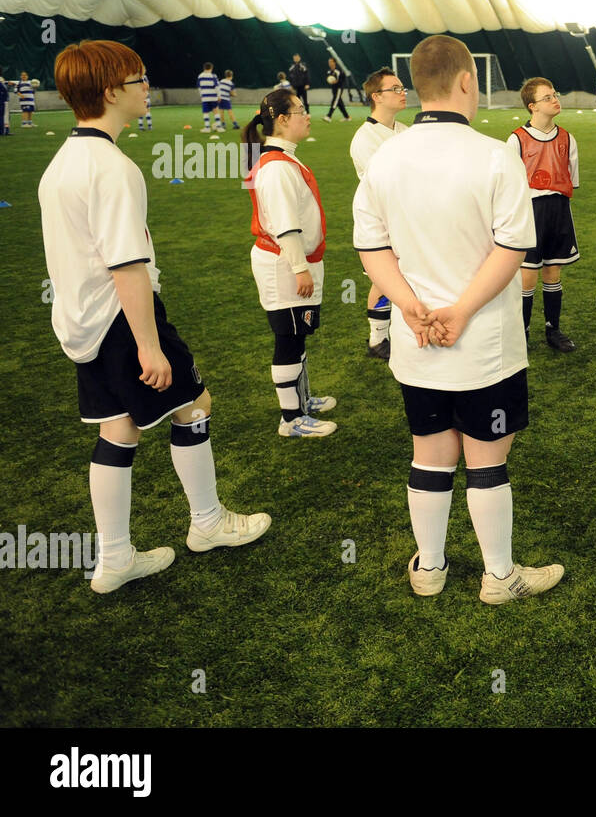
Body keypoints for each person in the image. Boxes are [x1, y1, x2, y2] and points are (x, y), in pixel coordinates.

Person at [38, 39, 270, 594]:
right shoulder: (112, 168)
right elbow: (127, 266)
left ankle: (115, 557)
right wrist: (149, 343)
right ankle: (208, 522)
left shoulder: (62, 162)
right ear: (111, 90)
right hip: (120, 317)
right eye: (139, 79)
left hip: (81, 320)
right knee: (194, 405)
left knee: (118, 428)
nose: (148, 87)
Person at [353, 34, 564, 604]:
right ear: (467, 81)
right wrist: (462, 310)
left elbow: (372, 250)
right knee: (487, 458)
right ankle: (499, 577)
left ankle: (431, 568)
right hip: (482, 345)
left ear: (418, 85)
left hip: (416, 342)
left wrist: (410, 307)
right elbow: (512, 247)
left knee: (429, 453)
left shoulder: (385, 156)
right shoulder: (496, 154)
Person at [241, 88, 337, 438]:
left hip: (288, 260)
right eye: (300, 110)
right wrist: (300, 268)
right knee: (288, 339)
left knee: (296, 335)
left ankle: (302, 400)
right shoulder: (277, 166)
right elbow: (285, 225)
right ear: (282, 120)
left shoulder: (281, 158)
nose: (307, 115)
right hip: (283, 264)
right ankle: (291, 419)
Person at [508, 76, 581, 352]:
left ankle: (553, 329)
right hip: (530, 212)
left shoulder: (567, 138)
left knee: (553, 272)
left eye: (554, 94)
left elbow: (571, 180)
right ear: (532, 106)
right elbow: (509, 185)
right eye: (547, 97)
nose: (554, 99)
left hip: (559, 211)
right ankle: (521, 331)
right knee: (528, 276)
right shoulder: (516, 139)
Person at [349, 66, 409, 361]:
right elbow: (385, 183)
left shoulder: (405, 130)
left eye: (402, 87)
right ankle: (376, 340)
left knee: (404, 276)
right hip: (381, 221)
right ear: (377, 96)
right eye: (395, 89)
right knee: (383, 280)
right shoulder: (365, 138)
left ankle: (394, 333)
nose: (403, 92)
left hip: (407, 218)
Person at [323, 57, 352, 123]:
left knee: (335, 100)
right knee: (339, 103)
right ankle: (347, 117)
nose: (329, 63)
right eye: (329, 62)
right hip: (334, 88)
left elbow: (343, 79)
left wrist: (337, 81)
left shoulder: (339, 70)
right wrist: (330, 81)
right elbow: (329, 78)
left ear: (334, 62)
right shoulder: (329, 71)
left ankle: (329, 116)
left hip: (339, 88)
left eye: (331, 62)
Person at [197, 62, 220, 133]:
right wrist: (219, 95)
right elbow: (217, 87)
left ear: (204, 68)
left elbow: (199, 88)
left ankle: (207, 128)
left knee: (205, 112)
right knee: (216, 111)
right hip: (213, 97)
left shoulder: (200, 76)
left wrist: (202, 96)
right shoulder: (213, 76)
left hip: (205, 98)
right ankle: (219, 128)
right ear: (211, 68)